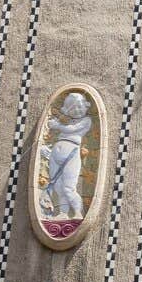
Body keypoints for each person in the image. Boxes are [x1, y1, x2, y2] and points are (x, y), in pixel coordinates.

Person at [39, 91, 93, 220]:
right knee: (58, 187)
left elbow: (71, 130)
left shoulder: (86, 120)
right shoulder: (66, 121)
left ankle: (78, 213)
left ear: (85, 107)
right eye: (72, 107)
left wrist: (58, 126)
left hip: (72, 154)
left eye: (79, 106)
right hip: (56, 153)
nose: (76, 110)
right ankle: (63, 213)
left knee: (68, 187)